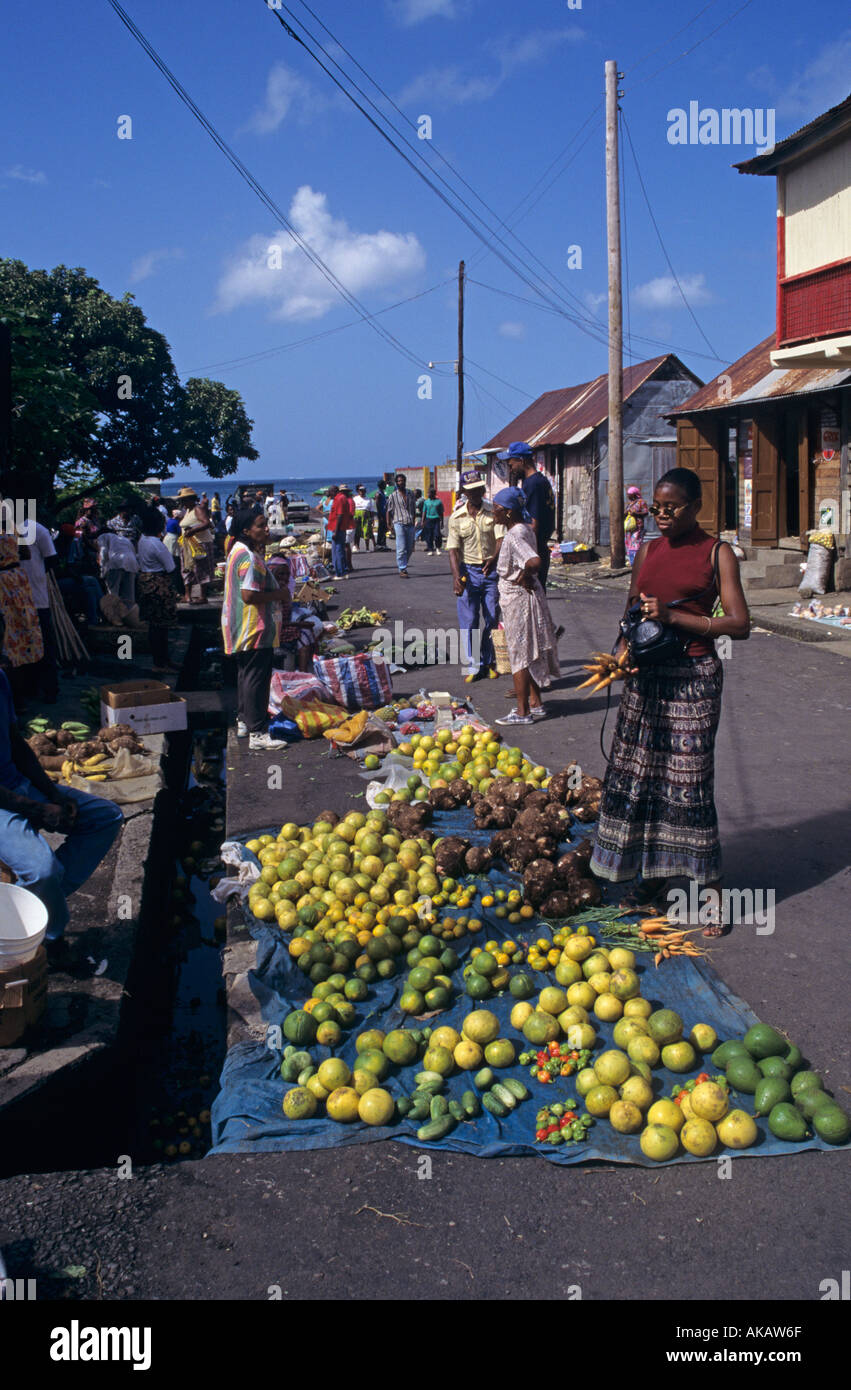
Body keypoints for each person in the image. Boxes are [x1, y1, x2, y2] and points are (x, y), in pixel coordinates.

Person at [589, 467, 750, 936]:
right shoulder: (649, 549)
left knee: (691, 784)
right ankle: (654, 882)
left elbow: (739, 624)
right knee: (643, 780)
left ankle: (714, 893)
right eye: (656, 507)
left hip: (693, 679)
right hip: (646, 678)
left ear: (695, 507)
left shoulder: (717, 553)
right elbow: (630, 608)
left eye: (671, 508)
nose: (660, 515)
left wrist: (677, 617)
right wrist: (620, 654)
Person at [0, 611, 123, 956]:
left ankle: (36, 904)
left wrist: (53, 793)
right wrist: (40, 809)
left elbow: (19, 748)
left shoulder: (1, 680)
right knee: (42, 870)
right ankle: (52, 936)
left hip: (21, 788)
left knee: (105, 816)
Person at [491, 487, 559, 724]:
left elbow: (534, 560)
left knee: (519, 654)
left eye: (496, 508)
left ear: (508, 511)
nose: (493, 513)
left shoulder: (514, 535)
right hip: (522, 597)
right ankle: (536, 703)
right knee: (529, 651)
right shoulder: (524, 528)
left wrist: (525, 575)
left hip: (519, 600)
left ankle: (522, 712)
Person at [221, 508, 286, 751]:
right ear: (246, 530)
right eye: (261, 525)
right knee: (256, 679)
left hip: (240, 625)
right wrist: (280, 594)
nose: (266, 528)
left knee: (245, 675)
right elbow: (249, 595)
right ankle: (258, 731)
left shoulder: (236, 551)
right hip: (254, 627)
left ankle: (243, 720)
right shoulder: (248, 557)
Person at [446, 469, 503, 681]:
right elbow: (453, 549)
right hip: (467, 572)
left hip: (491, 571)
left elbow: (500, 539)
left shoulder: (492, 511)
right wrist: (455, 578)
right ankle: (473, 663)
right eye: (471, 491)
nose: (476, 493)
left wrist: (494, 558)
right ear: (464, 492)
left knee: (491, 618)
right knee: (469, 621)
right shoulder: (456, 517)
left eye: (479, 489)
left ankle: (489, 661)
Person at [501, 442, 556, 590]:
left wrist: (526, 562)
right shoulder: (540, 481)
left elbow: (533, 525)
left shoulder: (533, 484)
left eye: (511, 463)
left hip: (533, 551)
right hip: (538, 549)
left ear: (521, 460)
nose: (510, 468)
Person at [18, 516, 60, 703]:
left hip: (37, 600)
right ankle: (29, 688)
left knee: (44, 647)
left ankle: (50, 690)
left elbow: (52, 560)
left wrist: (34, 577)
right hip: (12, 603)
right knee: (21, 649)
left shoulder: (37, 530)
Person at [0, 534, 44, 708]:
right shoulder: (13, 527)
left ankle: (15, 701)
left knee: (8, 642)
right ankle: (28, 692)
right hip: (17, 580)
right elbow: (26, 554)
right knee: (24, 635)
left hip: (3, 584)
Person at [137, 507, 179, 674]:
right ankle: (161, 662)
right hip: (159, 583)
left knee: (154, 625)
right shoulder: (157, 544)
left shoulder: (142, 540)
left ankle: (162, 660)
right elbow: (170, 568)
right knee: (162, 625)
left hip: (145, 582)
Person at [177, 487, 214, 604]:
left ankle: (202, 596)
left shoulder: (198, 509)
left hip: (200, 544)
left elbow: (206, 523)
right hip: (188, 545)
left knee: (201, 568)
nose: (182, 503)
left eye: (184, 500)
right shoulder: (188, 511)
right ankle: (188, 595)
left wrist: (193, 530)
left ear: (190, 500)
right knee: (187, 569)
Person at [98, 522, 139, 608]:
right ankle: (131, 616)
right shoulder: (124, 539)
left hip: (116, 562)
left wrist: (102, 571)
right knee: (129, 594)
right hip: (131, 563)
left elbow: (103, 552)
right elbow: (134, 552)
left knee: (113, 592)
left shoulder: (103, 536)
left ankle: (114, 616)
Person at [386, 473, 417, 578]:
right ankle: (402, 568)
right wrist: (389, 524)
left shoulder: (410, 494)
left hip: (410, 523)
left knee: (409, 548)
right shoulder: (393, 496)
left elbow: (413, 508)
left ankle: (403, 564)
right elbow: (388, 511)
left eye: (402, 480)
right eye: (399, 481)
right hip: (398, 523)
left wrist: (414, 521)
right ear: (396, 483)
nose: (401, 482)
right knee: (401, 547)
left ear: (405, 481)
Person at [328, 484, 355, 579]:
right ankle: (342, 570)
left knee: (338, 551)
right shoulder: (342, 498)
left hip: (338, 529)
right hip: (339, 528)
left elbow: (340, 515)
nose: (328, 494)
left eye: (329, 492)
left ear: (334, 491)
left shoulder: (339, 499)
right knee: (339, 550)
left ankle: (340, 573)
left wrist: (336, 531)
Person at [624, 484, 649, 567]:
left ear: (634, 494)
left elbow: (646, 512)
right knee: (629, 544)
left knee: (636, 544)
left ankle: (636, 562)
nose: (628, 496)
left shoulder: (641, 502)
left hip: (637, 527)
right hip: (629, 528)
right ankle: (632, 562)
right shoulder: (630, 503)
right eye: (628, 495)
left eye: (629, 495)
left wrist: (636, 513)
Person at [421, 487, 444, 554]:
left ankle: (437, 548)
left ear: (433, 494)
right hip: (428, 520)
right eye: (428, 493)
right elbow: (424, 512)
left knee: (437, 534)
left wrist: (442, 522)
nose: (428, 494)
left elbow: (441, 512)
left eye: (429, 493)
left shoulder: (439, 502)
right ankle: (430, 549)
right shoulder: (426, 502)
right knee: (429, 535)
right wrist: (423, 521)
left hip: (436, 520)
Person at [353, 485, 375, 551]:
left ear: (365, 491)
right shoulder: (355, 498)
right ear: (358, 491)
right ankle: (356, 547)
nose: (362, 492)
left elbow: (371, 510)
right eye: (360, 490)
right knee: (357, 532)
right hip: (356, 517)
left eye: (363, 490)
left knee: (366, 532)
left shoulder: (369, 499)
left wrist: (372, 519)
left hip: (366, 517)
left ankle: (367, 548)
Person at [374, 479, 389, 550]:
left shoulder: (383, 493)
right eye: (384, 484)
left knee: (384, 529)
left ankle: (383, 543)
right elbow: (377, 505)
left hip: (384, 513)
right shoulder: (378, 494)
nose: (386, 486)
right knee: (381, 529)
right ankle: (379, 544)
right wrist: (380, 515)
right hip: (381, 514)